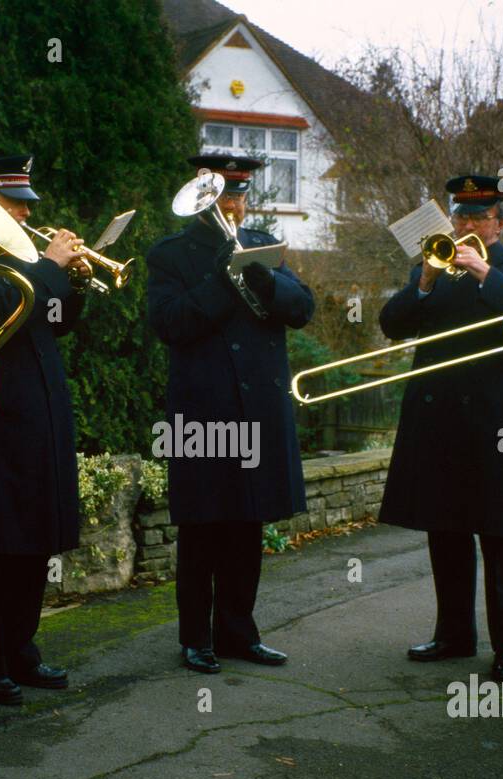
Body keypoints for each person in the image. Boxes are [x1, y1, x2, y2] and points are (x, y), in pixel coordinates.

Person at [146, 153, 314, 674]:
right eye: (224, 196)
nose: (234, 206)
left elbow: (302, 308)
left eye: (240, 195)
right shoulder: (169, 254)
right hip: (202, 413)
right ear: (203, 198)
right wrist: (222, 278)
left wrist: (262, 275)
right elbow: (170, 324)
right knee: (202, 528)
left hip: (257, 410)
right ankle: (196, 638)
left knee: (246, 526)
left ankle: (239, 633)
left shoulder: (263, 245)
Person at [378, 174, 503, 678]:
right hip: (438, 417)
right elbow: (392, 324)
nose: (468, 224)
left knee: (498, 536)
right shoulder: (431, 268)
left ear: (499, 222)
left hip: (494, 422)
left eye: (479, 216)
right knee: (444, 531)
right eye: (461, 215)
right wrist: (425, 281)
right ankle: (452, 635)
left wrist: (483, 273)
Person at [0, 153, 87, 706]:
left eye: (26, 204)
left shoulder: (27, 258)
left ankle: (20, 648)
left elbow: (54, 322)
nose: (23, 214)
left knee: (32, 540)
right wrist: (51, 269)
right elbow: (1, 304)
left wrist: (72, 283)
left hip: (39, 416)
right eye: (12, 203)